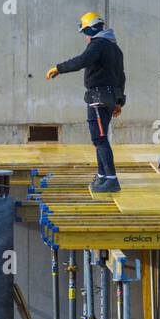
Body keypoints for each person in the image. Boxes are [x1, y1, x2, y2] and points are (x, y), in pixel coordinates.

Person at [47, 11, 126, 193]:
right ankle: (102, 176)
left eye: (85, 33)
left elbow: (82, 61)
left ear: (89, 30)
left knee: (99, 138)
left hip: (98, 97)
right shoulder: (115, 48)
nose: (85, 37)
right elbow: (121, 76)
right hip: (110, 96)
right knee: (101, 137)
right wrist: (119, 101)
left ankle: (112, 180)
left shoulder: (98, 45)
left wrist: (58, 68)